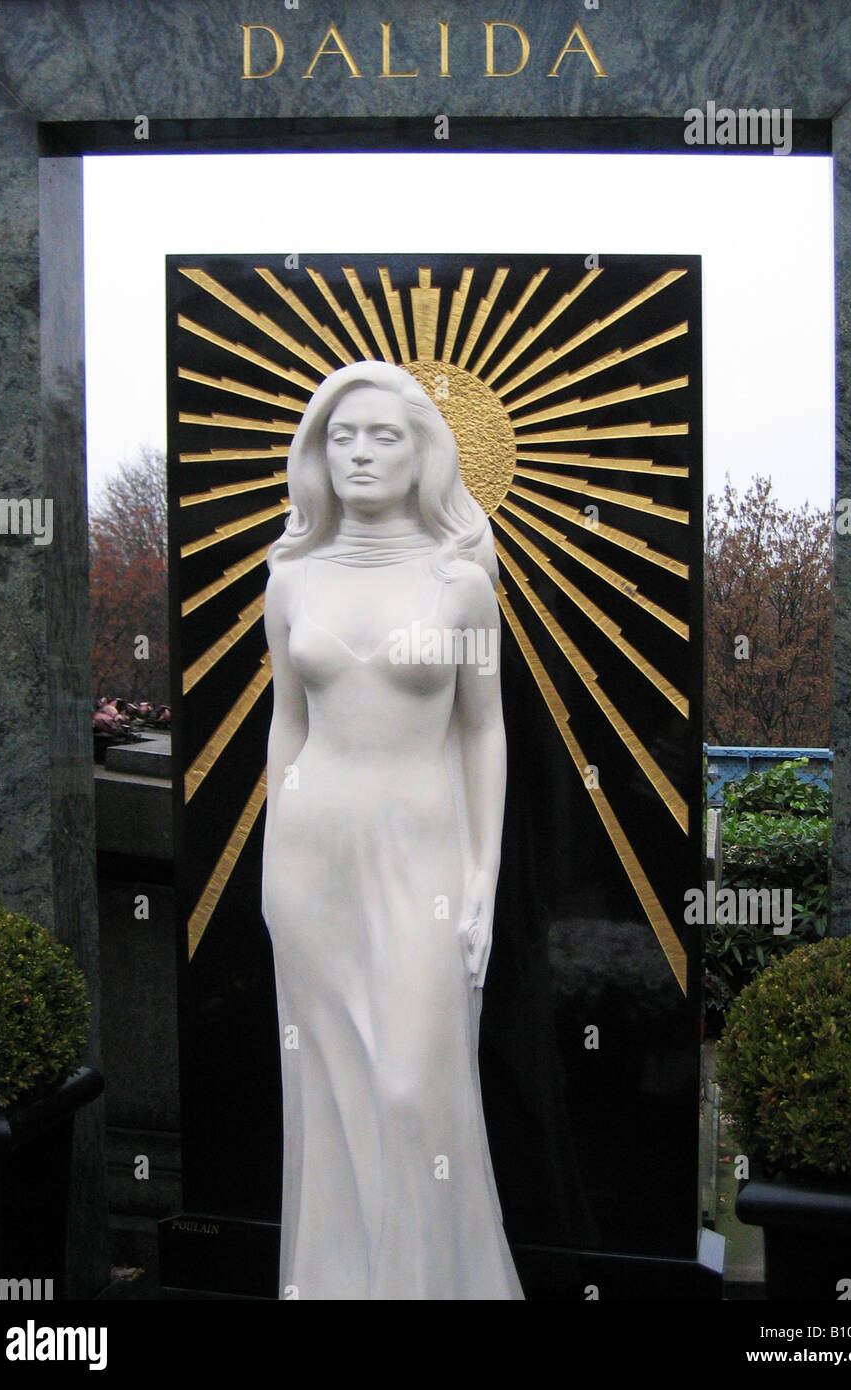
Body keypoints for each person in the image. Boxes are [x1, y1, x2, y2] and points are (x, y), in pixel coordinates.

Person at [262, 360, 524, 1300]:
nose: (360, 452)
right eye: (340, 435)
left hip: (424, 859)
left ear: (422, 453)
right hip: (308, 856)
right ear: (315, 454)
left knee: (413, 1088)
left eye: (383, 434)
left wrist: (483, 874)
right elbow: (286, 724)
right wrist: (267, 858)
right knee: (329, 1096)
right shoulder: (290, 576)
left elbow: (481, 728)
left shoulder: (458, 582)